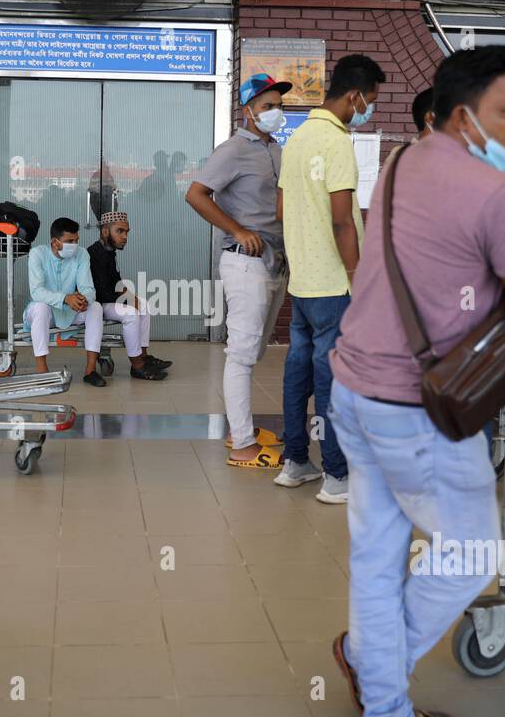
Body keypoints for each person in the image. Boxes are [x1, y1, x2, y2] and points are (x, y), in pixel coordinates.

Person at [328, 45, 505, 717]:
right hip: (419, 407)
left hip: (353, 386)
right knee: (471, 554)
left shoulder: (402, 162)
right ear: (465, 116)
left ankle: (387, 713)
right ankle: (377, 678)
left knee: (377, 554)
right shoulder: (498, 195)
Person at [274, 54, 384, 504]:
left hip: (301, 281)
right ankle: (336, 476)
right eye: (370, 100)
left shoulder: (297, 138)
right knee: (333, 375)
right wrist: (357, 278)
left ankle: (295, 462)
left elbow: (282, 211)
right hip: (334, 283)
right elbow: (343, 220)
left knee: (298, 369)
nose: (368, 109)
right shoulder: (337, 143)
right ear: (355, 95)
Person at [185, 72, 290, 467]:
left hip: (276, 261)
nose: (275, 112)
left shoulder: (276, 150)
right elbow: (195, 194)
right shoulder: (232, 150)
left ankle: (238, 428)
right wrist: (237, 229)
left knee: (255, 349)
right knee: (242, 354)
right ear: (248, 111)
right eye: (267, 107)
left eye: (279, 106)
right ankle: (243, 444)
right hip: (245, 262)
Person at [23, 216, 108, 386]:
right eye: (70, 241)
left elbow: (88, 288)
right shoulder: (37, 254)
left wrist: (83, 299)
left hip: (71, 311)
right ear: (55, 242)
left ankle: (90, 371)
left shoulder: (82, 254)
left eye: (76, 240)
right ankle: (42, 370)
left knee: (96, 307)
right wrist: (65, 298)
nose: (74, 245)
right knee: (41, 307)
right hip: (45, 312)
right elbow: (37, 292)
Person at [87, 211, 171, 380]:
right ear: (105, 231)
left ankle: (143, 357)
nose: (125, 236)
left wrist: (132, 297)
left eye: (126, 232)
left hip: (108, 300)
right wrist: (128, 301)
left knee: (144, 304)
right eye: (120, 231)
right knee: (131, 313)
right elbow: (101, 292)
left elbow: (116, 281)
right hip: (96, 305)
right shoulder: (94, 254)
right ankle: (137, 366)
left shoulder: (109, 251)